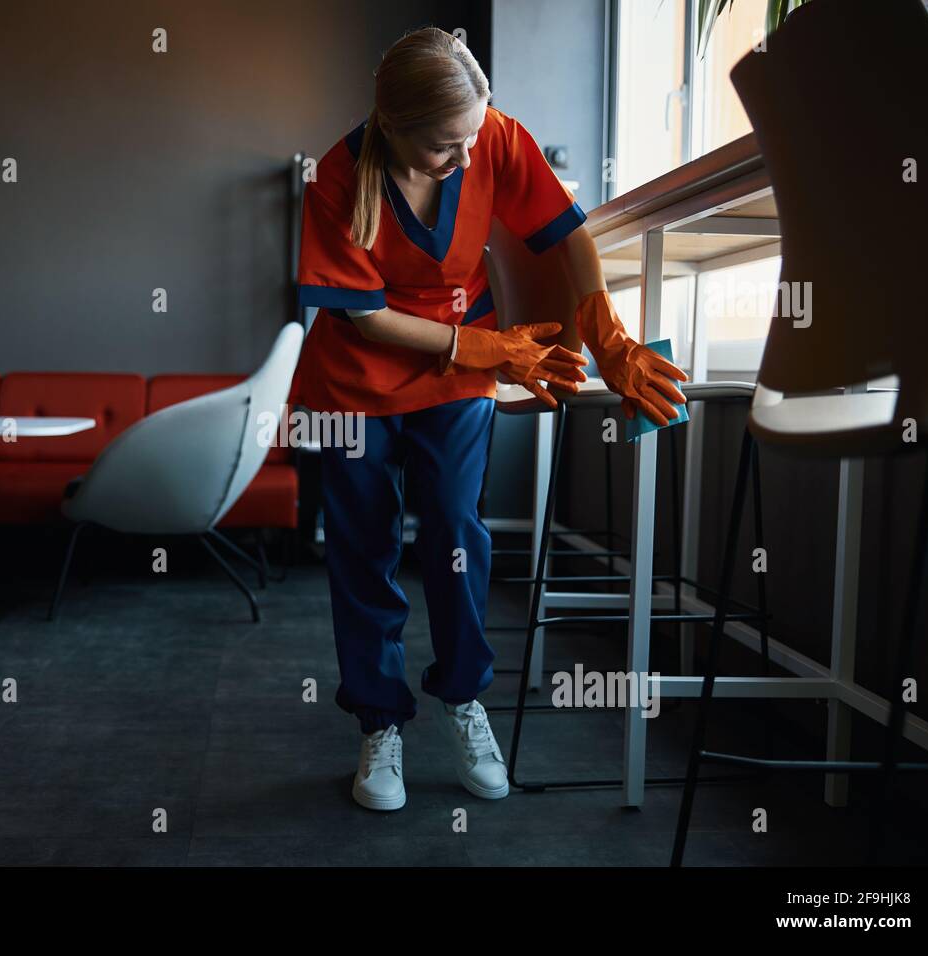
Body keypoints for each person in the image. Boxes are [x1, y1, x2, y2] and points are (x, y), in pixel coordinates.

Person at [291, 28, 688, 810]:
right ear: (393, 125)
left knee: (456, 533)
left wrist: (604, 327)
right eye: (445, 147)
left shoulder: (492, 136)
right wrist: (478, 346)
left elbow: (566, 233)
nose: (466, 158)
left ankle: (465, 699)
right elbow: (366, 319)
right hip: (356, 383)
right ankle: (380, 723)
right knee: (365, 549)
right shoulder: (337, 179)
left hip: (462, 370)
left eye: (473, 136)